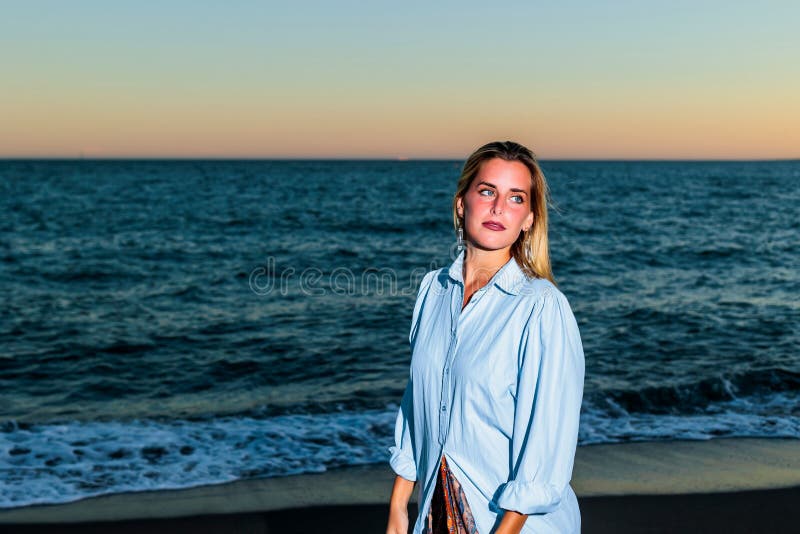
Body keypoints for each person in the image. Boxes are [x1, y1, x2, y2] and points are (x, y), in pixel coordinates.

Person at [385, 141, 585, 534]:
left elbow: (544, 450)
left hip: (513, 526)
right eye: (487, 191)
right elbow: (417, 404)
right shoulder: (433, 290)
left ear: (528, 218)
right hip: (435, 514)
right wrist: (398, 507)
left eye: (515, 198)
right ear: (462, 204)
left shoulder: (541, 307)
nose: (498, 208)